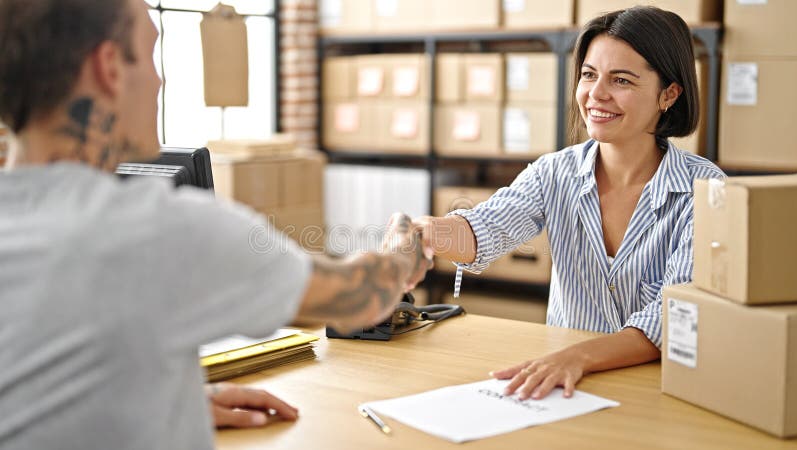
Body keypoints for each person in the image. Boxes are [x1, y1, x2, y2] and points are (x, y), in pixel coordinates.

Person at [0, 0, 431, 448]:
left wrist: (162, 398)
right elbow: (355, 296)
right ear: (108, 67)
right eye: (151, 55)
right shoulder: (157, 231)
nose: (160, 79)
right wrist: (402, 252)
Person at [414, 6, 724, 400]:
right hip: (564, 390)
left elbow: (674, 317)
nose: (596, 94)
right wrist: (422, 232)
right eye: (589, 75)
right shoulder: (554, 173)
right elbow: (484, 231)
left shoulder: (706, 189)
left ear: (669, 94)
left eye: (621, 80)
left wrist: (576, 356)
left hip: (656, 389)